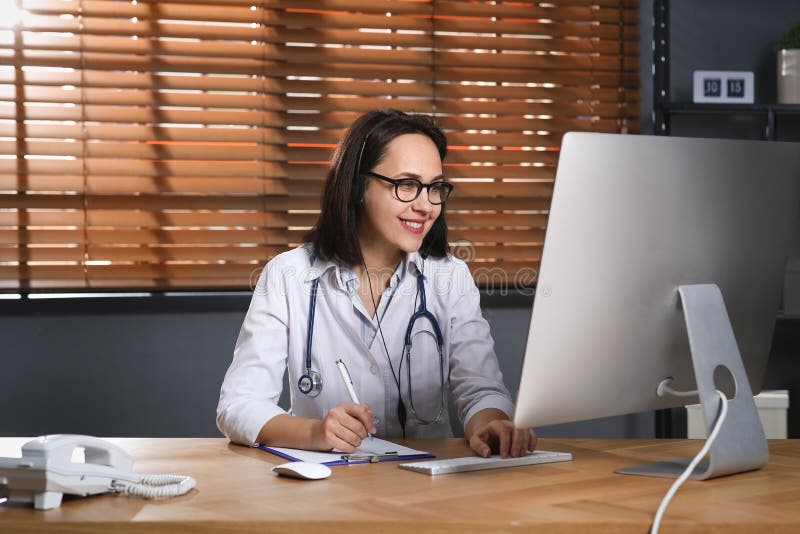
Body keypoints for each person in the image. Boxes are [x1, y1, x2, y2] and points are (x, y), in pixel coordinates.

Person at [216, 109, 537, 458]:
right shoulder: (288, 275)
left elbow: (480, 389)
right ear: (357, 186)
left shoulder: (450, 276)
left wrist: (489, 422)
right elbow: (239, 405)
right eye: (407, 185)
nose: (426, 205)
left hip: (427, 491)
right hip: (328, 489)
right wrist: (317, 432)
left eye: (435, 188)